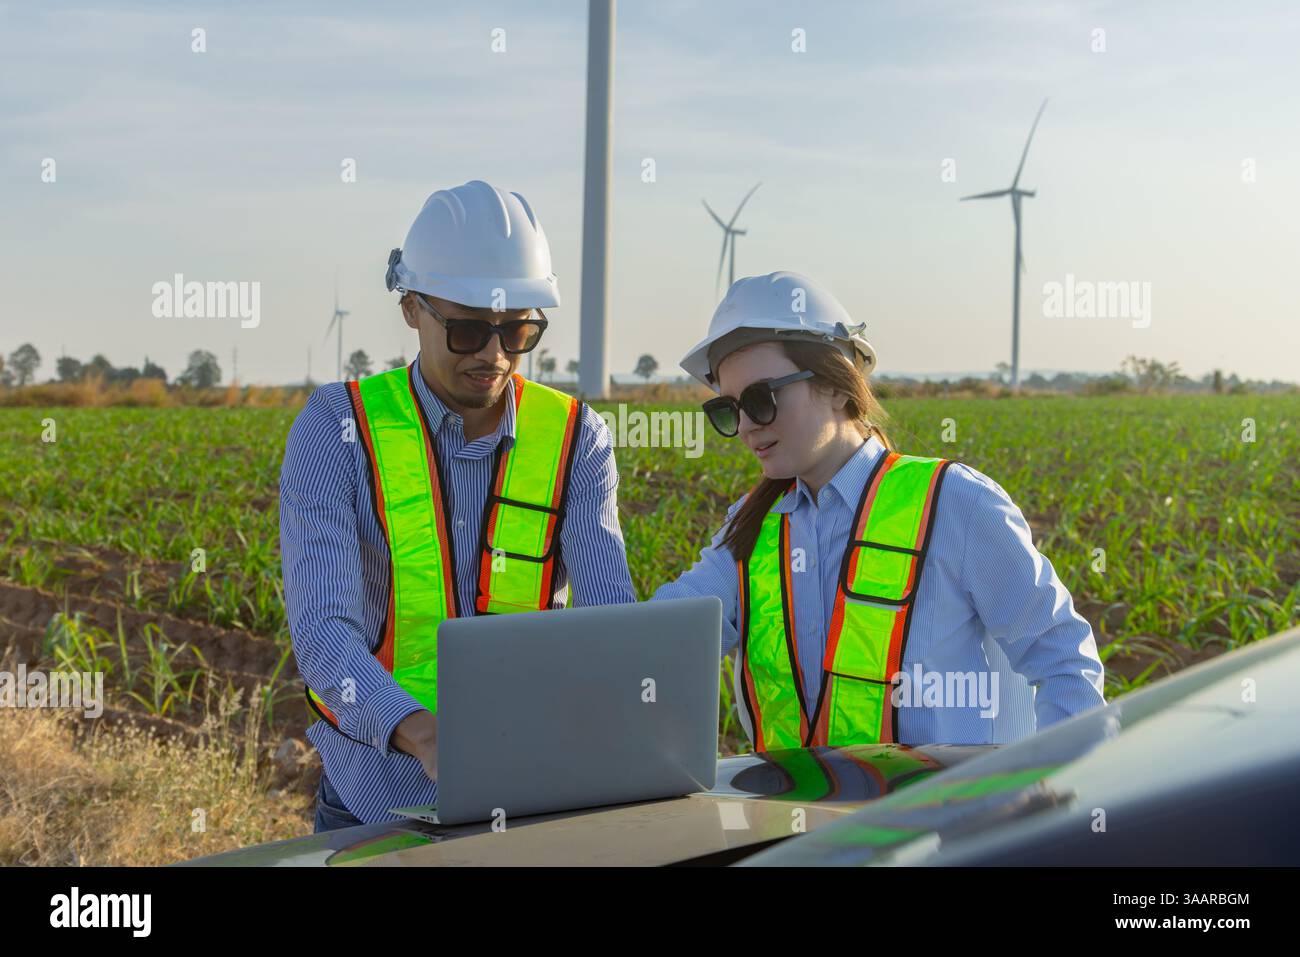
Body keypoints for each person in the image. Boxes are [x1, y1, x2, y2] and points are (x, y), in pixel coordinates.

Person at [280, 180, 636, 831]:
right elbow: (325, 634)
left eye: (518, 330)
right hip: (375, 800)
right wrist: (425, 735)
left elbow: (612, 615)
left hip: (531, 790)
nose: (494, 356)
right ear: (412, 307)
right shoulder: (337, 427)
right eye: (469, 329)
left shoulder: (577, 437)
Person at [653, 271, 1104, 751]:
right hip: (797, 820)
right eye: (729, 409)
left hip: (942, 820)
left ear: (837, 387)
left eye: (761, 400)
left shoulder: (954, 503)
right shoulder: (752, 527)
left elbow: (1063, 660)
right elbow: (660, 642)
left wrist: (1052, 789)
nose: (745, 426)